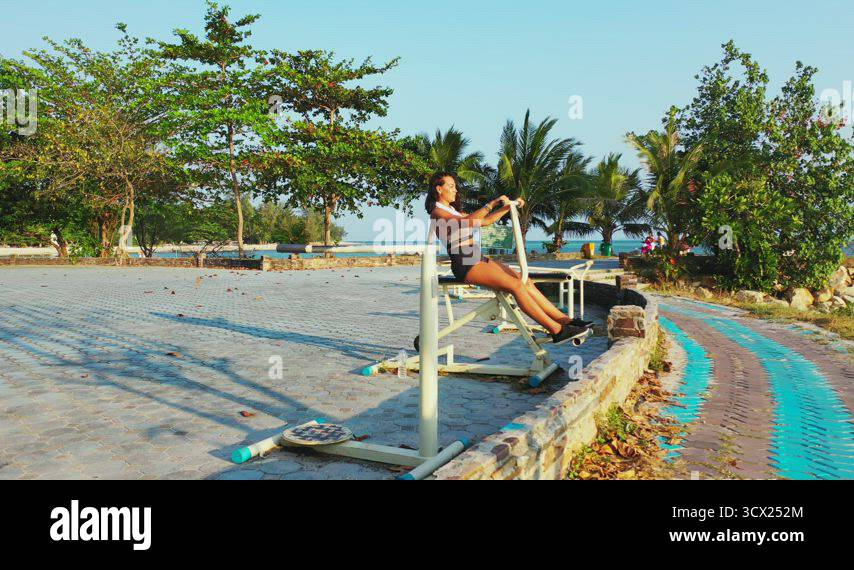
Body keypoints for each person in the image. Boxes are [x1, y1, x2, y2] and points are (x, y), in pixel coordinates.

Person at [426, 172, 588, 345]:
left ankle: (565, 321)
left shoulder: (451, 210)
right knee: (516, 286)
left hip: (477, 258)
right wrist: (491, 203)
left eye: (455, 186)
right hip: (466, 263)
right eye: (451, 186)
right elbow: (466, 221)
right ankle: (557, 330)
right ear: (439, 188)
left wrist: (508, 207)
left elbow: (487, 221)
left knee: (524, 281)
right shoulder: (437, 212)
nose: (455, 190)